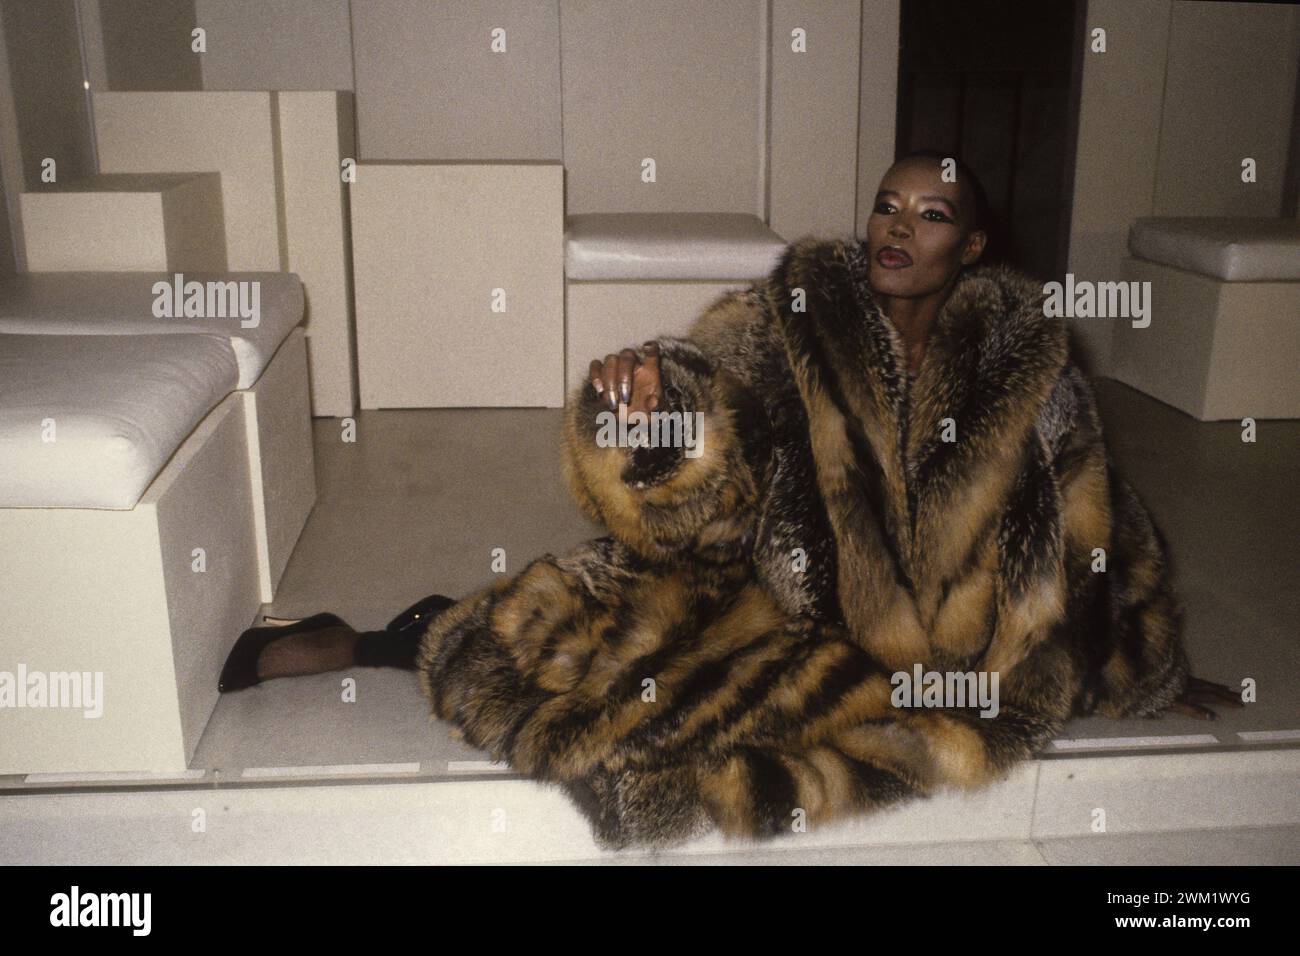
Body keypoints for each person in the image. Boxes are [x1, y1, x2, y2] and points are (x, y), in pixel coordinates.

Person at [220, 151, 1238, 846]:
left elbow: (1092, 531)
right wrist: (654, 414)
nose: (899, 226)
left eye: (931, 215)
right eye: (888, 204)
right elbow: (716, 404)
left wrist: (1144, 670)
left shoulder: (1029, 373)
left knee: (719, 732)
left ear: (969, 248)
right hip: (760, 577)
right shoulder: (795, 313)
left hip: (920, 653)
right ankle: (388, 637)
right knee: (567, 645)